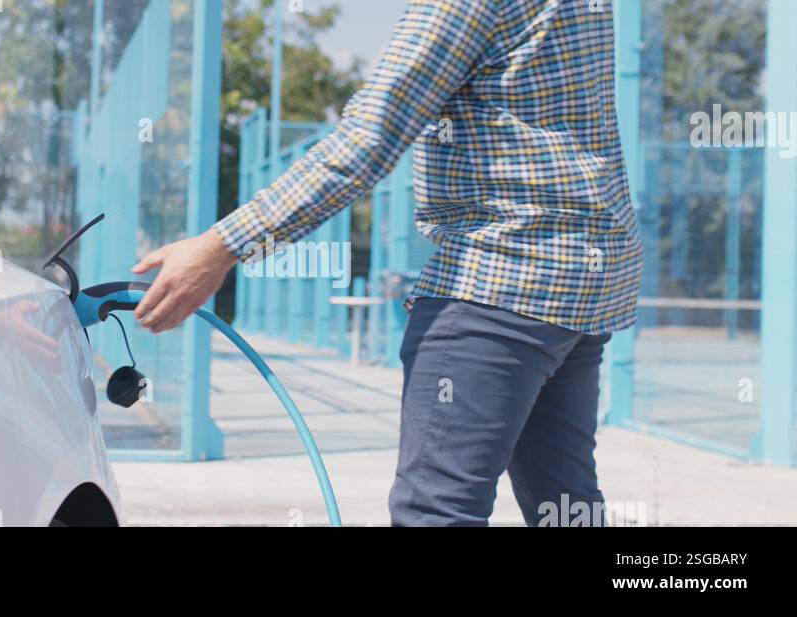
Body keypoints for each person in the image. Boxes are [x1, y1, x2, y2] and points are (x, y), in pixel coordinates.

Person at [130, 0, 644, 526]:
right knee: (566, 505)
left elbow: (370, 136)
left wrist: (222, 247)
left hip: (502, 277)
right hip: (583, 279)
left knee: (435, 510)